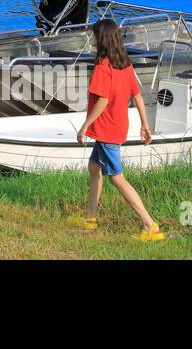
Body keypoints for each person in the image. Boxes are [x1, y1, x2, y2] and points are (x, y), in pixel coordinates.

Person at [76, 18, 164, 241]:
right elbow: (137, 95)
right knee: (94, 167)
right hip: (117, 126)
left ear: (102, 39)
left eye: (95, 35)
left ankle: (149, 224)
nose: (93, 39)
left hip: (106, 129)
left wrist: (85, 126)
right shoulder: (125, 64)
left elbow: (102, 100)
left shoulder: (102, 67)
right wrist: (145, 124)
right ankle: (90, 218)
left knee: (117, 178)